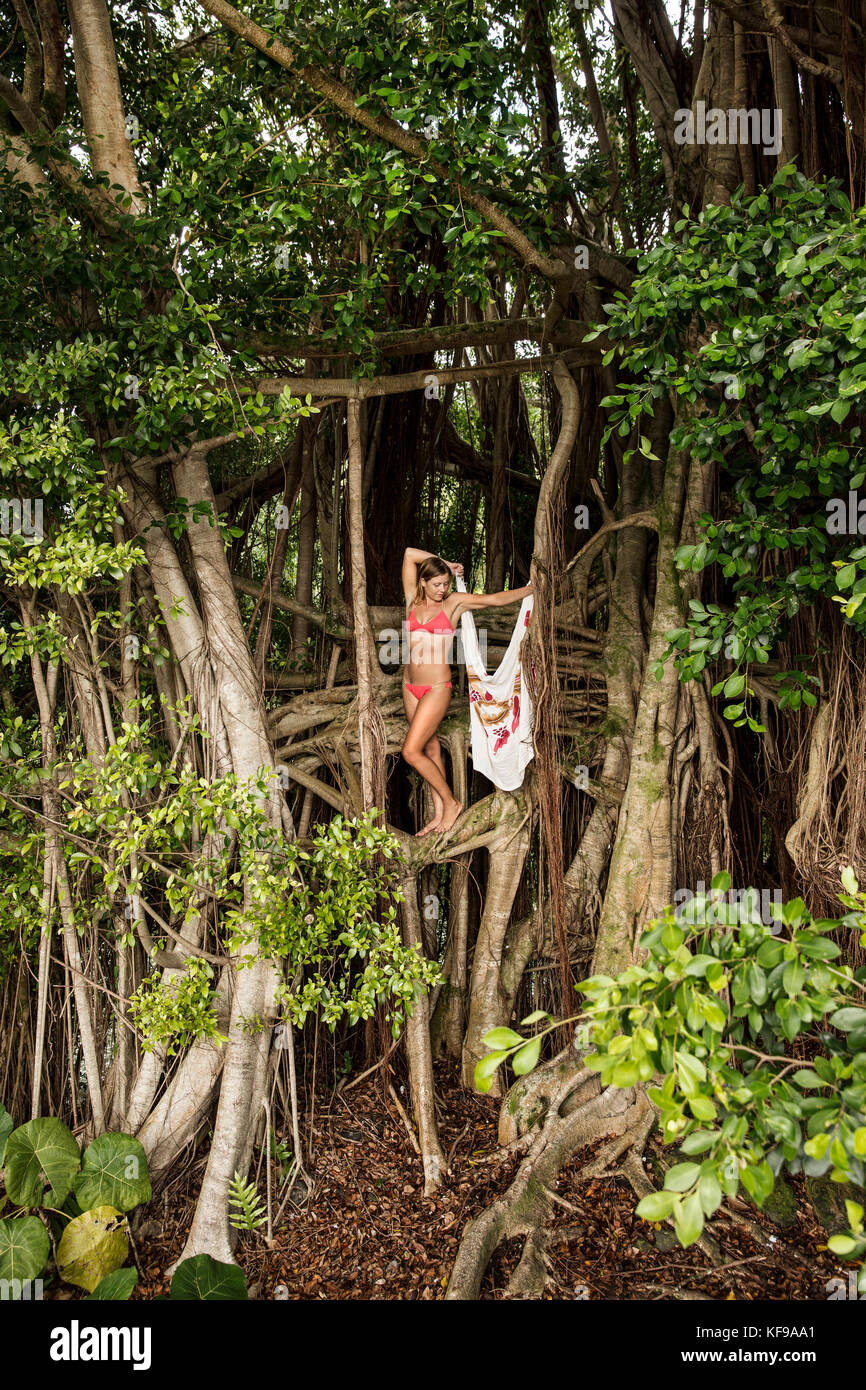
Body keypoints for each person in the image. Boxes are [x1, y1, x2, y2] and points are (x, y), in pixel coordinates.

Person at [401, 547, 533, 836]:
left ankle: (451, 803)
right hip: (409, 686)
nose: (442, 589)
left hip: (436, 688)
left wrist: (529, 590)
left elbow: (494, 600)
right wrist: (445, 562)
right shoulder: (412, 600)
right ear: (422, 582)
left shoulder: (453, 604)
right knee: (430, 747)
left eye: (446, 584)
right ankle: (438, 814)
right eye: (436, 584)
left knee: (410, 752)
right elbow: (410, 553)